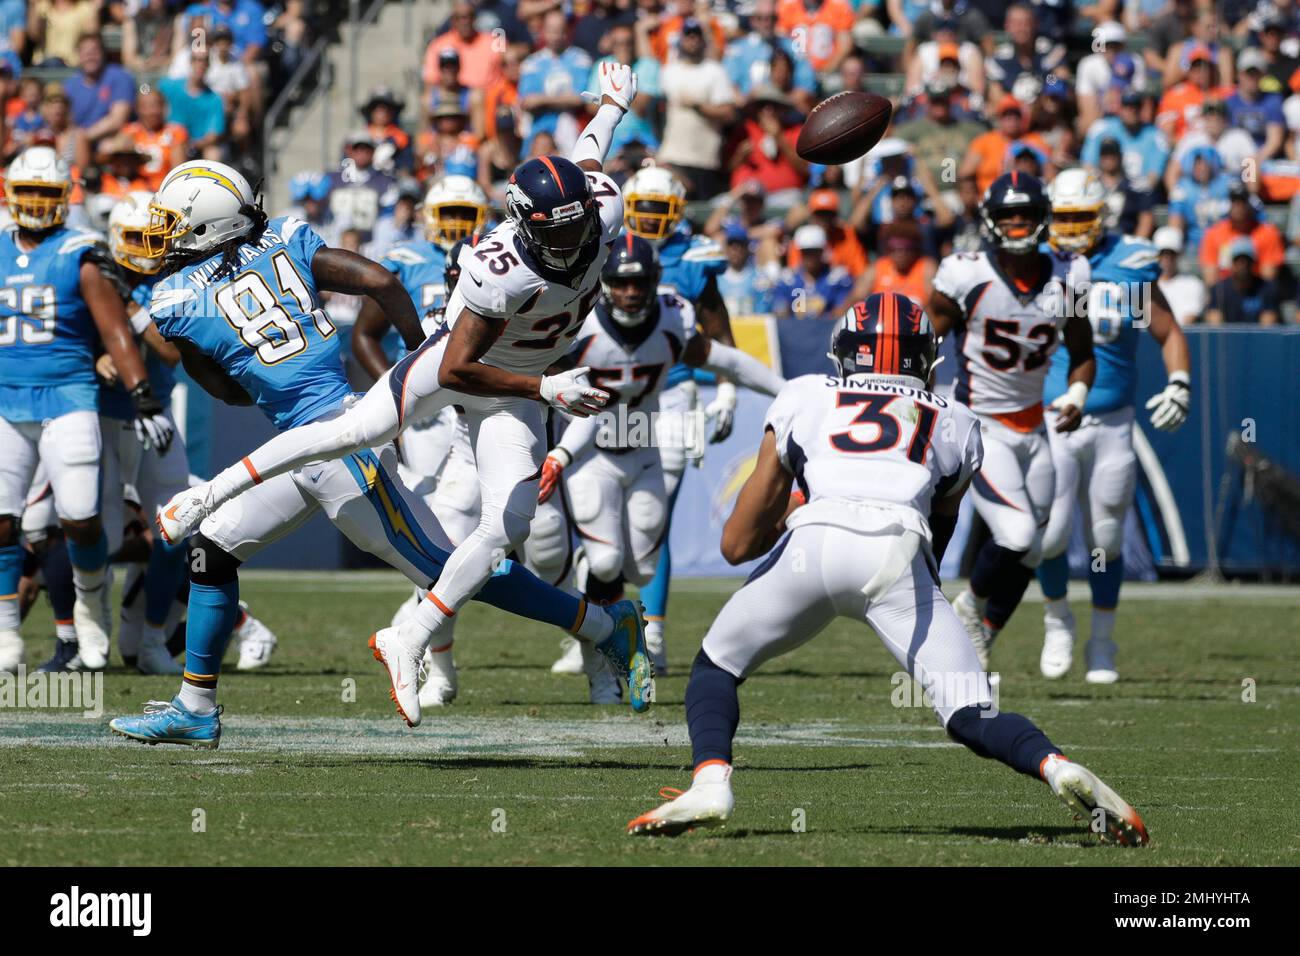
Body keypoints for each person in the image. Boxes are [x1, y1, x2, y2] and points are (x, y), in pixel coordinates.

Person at [150, 65, 653, 730]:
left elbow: (588, 154)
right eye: (550, 233)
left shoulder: (179, 300)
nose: (566, 242)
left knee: (466, 557)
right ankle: (195, 705)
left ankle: (595, 626)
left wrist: (614, 104)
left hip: (471, 394)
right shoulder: (481, 264)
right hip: (438, 380)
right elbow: (393, 292)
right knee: (211, 550)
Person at [627, 294, 1149, 848]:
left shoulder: (805, 394)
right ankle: (1054, 765)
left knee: (717, 664)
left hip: (817, 539)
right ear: (927, 358)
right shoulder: (958, 421)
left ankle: (711, 782)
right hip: (899, 550)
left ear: (843, 353)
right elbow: (940, 539)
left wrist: (792, 516)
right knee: (972, 713)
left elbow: (736, 544)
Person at [534, 236, 784, 696]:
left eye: (640, 282)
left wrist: (783, 391)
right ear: (605, 284)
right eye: (622, 283)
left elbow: (723, 358)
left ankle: (617, 614)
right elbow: (539, 381)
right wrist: (557, 452)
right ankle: (601, 666)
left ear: (654, 283)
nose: (630, 292)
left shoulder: (672, 321)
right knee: (607, 559)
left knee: (643, 569)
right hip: (593, 454)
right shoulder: (580, 327)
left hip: (645, 450)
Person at [0, 146, 172, 674]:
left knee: (81, 519)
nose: (34, 204)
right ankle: (6, 634)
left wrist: (141, 390)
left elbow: (116, 328)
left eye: (45, 194)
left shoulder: (82, 249)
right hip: (7, 399)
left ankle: (91, 607)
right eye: (26, 193)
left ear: (64, 198)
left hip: (69, 396)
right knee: (5, 523)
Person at [932, 172, 1096, 672]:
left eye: (1026, 213)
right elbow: (921, 340)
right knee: (1019, 535)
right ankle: (965, 608)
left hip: (1035, 428)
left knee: (1038, 546)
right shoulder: (965, 273)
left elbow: (1083, 351)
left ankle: (982, 630)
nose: (1018, 222)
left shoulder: (1070, 275)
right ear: (991, 221)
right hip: (980, 427)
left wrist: (1077, 392)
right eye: (1008, 215)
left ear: (1043, 217)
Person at [1035, 169, 1192, 683]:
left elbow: (1167, 331)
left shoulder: (1132, 263)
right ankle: (1057, 620)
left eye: (1081, 217)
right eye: (1063, 217)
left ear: (1102, 215)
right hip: (1055, 414)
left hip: (1114, 421)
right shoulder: (1040, 261)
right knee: (1053, 533)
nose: (1071, 228)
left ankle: (1102, 640)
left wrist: (1179, 382)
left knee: (1105, 539)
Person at [351, 176, 490, 706]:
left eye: (464, 210)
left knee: (547, 549)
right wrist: (397, 399)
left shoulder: (503, 261)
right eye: (447, 210)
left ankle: (597, 637)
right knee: (437, 532)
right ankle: (432, 653)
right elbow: (365, 333)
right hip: (436, 418)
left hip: (498, 421)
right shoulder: (408, 259)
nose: (456, 221)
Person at [616, 162, 737, 675]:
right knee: (603, 509)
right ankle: (594, 623)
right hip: (617, 392)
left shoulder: (692, 258)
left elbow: (717, 328)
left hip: (675, 394)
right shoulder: (609, 251)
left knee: (654, 513)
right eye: (639, 209)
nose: (647, 220)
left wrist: (728, 385)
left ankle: (654, 631)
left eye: (656, 210)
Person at [771, 224, 855, 321]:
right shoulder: (787, 279)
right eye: (806, 252)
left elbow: (841, 313)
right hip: (794, 333)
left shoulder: (838, 278)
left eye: (815, 251)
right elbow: (780, 313)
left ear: (822, 251)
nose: (810, 257)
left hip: (827, 332)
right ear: (800, 252)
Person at [1206, 239, 1282, 325]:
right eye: (1238, 260)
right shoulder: (1218, 290)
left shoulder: (1267, 288)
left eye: (1247, 260)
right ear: (1232, 262)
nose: (1243, 265)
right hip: (1229, 337)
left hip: (1256, 337)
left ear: (1253, 262)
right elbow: (1215, 325)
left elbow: (1267, 327)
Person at [1153, 226, 1207, 326]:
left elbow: (1188, 320)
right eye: (1162, 253)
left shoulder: (1193, 284)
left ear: (1179, 255)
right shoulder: (1143, 286)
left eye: (1171, 254)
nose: (1167, 258)